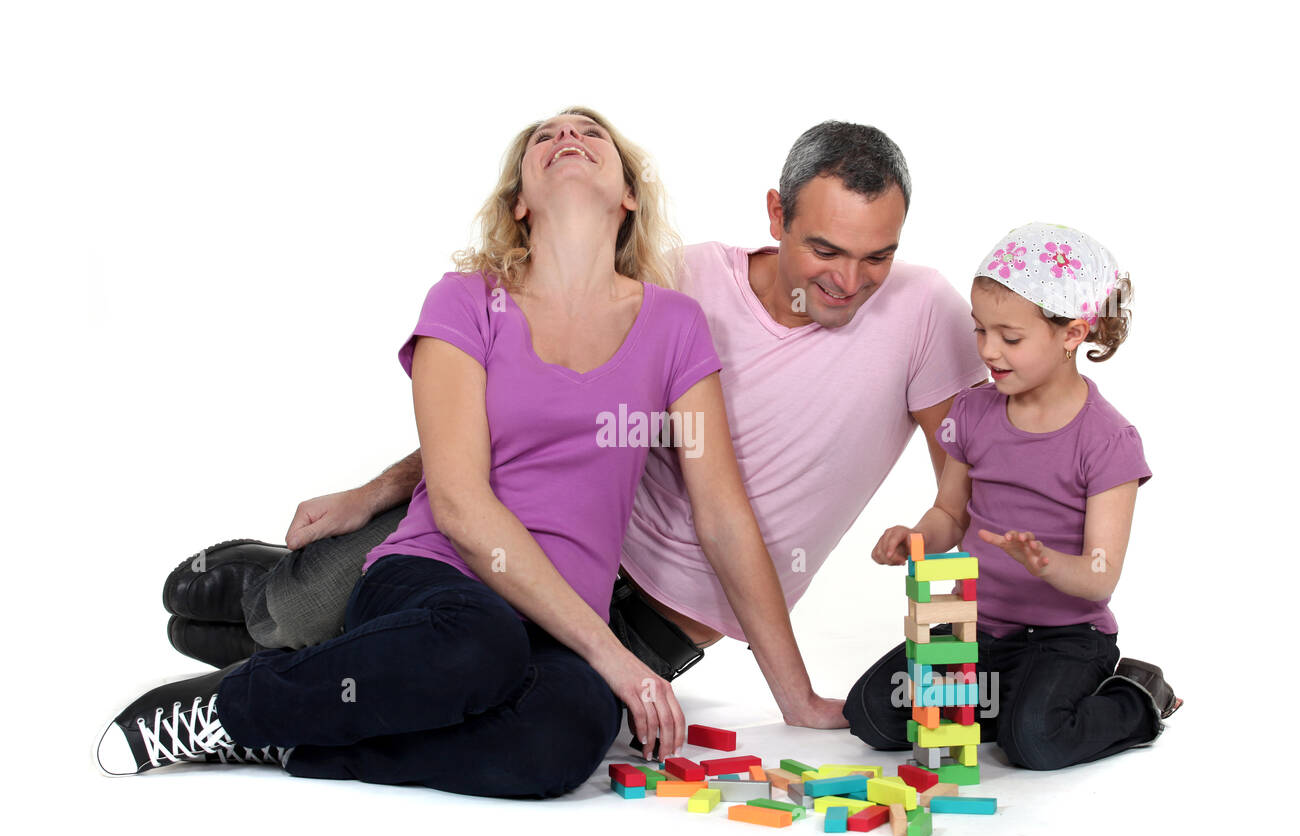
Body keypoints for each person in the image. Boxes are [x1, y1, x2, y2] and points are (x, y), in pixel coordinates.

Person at [162, 121, 990, 731]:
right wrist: (381, 487)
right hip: (520, 534)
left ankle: (275, 688)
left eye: (876, 256)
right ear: (775, 214)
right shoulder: (689, 281)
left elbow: (967, 453)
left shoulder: (923, 313)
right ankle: (266, 587)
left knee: (445, 691)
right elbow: (538, 411)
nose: (849, 280)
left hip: (650, 618)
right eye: (824, 250)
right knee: (286, 620)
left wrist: (803, 686)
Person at [97, 107, 825, 797]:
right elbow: (459, 501)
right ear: (519, 204)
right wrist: (615, 657)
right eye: (547, 137)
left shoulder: (675, 325)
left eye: (590, 133)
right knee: (477, 645)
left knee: (565, 740)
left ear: (629, 196)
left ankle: (291, 737)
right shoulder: (466, 300)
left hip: (562, 617)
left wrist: (796, 696)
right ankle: (231, 708)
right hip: (439, 579)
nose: (568, 134)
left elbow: (723, 516)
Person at [842, 222, 1182, 771]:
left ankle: (1139, 698)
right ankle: (1008, 706)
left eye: (1010, 337)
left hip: (1068, 639)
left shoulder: (1108, 440)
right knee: (873, 716)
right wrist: (917, 537)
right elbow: (951, 512)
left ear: (1072, 334)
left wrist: (1043, 562)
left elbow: (1099, 576)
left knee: (1035, 745)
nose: (989, 351)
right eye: (980, 331)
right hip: (977, 629)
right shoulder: (973, 413)